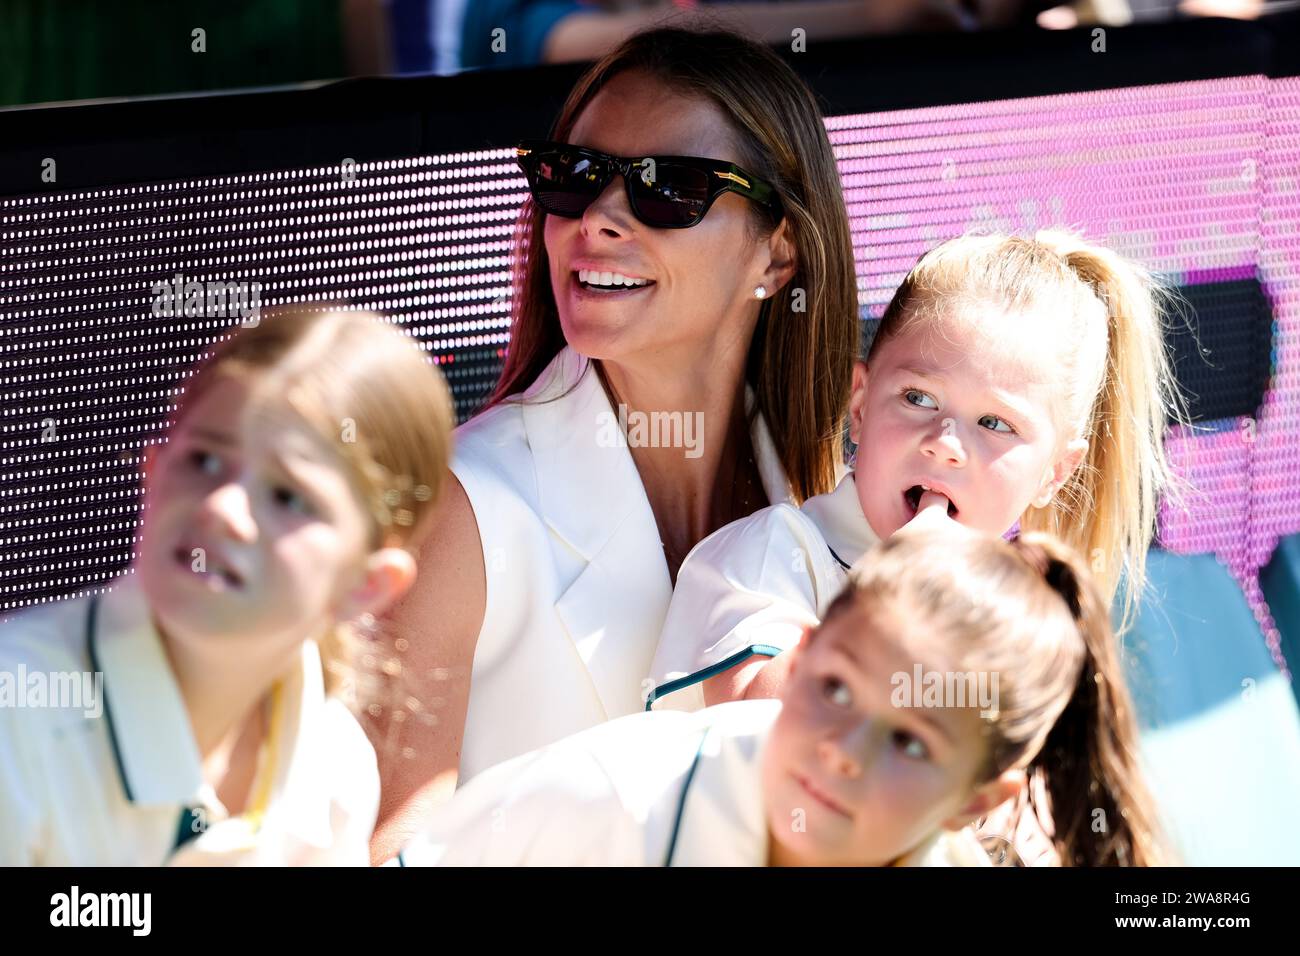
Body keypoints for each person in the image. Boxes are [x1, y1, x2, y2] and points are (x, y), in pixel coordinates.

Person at [366, 24, 861, 863]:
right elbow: (385, 854)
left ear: (778, 254)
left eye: (668, 188)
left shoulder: (835, 497)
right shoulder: (458, 503)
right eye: (573, 175)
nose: (597, 218)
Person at [402, 520, 1167, 866]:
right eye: (836, 689)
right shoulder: (606, 797)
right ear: (796, 660)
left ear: (979, 798)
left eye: (909, 741)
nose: (843, 753)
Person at [0, 309, 454, 865]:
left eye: (289, 497)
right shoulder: (16, 723)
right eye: (204, 460)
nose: (223, 509)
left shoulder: (336, 769)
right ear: (153, 469)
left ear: (368, 583)